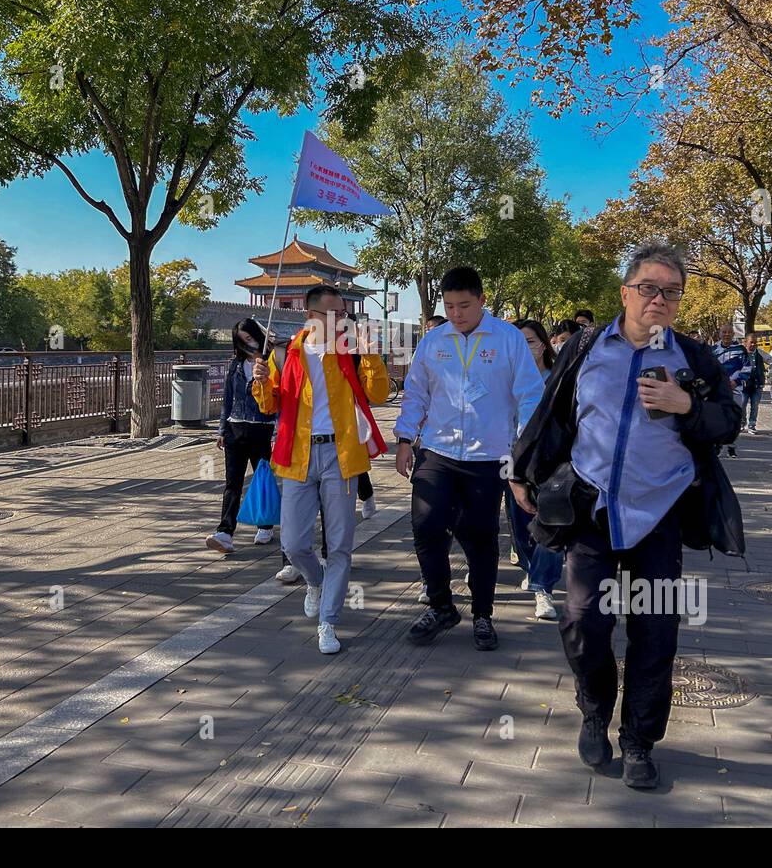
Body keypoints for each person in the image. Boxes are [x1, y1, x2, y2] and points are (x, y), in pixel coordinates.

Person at [510, 243, 741, 789]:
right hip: (592, 511)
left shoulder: (695, 359)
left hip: (659, 516)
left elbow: (727, 423)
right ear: (625, 293)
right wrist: (522, 471)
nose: (659, 299)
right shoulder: (586, 349)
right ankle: (594, 709)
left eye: (670, 291)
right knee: (583, 620)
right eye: (648, 288)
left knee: (655, 632)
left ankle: (639, 740)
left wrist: (687, 407)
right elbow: (552, 416)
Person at [394, 267, 545, 651]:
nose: (457, 313)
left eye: (464, 305)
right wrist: (405, 438)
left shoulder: (508, 339)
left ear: (481, 301)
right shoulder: (433, 342)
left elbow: (530, 396)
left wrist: (522, 452)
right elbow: (416, 393)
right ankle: (442, 606)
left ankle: (482, 614)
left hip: (489, 456)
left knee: (480, 538)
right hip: (438, 451)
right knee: (426, 526)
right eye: (449, 306)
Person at [252, 285, 389, 654]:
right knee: (294, 543)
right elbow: (270, 406)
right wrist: (261, 382)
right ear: (312, 317)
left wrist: (372, 354)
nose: (343, 320)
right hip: (297, 456)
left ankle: (328, 622)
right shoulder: (286, 353)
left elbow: (378, 395)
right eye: (336, 314)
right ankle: (315, 581)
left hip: (341, 456)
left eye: (345, 314)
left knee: (341, 544)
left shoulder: (351, 351)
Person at [207, 319, 279, 555]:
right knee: (233, 483)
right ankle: (225, 531)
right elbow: (227, 400)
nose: (247, 343)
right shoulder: (236, 366)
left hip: (263, 428)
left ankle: (265, 525)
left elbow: (281, 399)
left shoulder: (274, 361)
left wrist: (278, 432)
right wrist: (221, 430)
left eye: (250, 337)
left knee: (262, 478)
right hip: (236, 428)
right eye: (242, 340)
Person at [509, 319, 565, 620]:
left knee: (553, 521)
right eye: (517, 342)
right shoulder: (504, 377)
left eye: (529, 341)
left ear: (543, 344)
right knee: (521, 525)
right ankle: (531, 570)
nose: (524, 348)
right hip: (514, 461)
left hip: (553, 462)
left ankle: (543, 587)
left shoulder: (558, 378)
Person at [713, 324, 746, 457]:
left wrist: (736, 381)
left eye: (729, 332)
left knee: (734, 418)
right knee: (718, 417)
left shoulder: (740, 349)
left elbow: (747, 368)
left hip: (736, 389)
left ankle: (732, 446)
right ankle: (718, 444)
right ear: (719, 334)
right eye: (724, 332)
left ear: (733, 334)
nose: (726, 334)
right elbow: (708, 368)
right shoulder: (713, 349)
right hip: (718, 390)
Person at [739, 332, 766, 434]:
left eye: (755, 343)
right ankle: (742, 423)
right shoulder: (741, 354)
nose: (753, 345)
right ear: (745, 343)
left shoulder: (759, 354)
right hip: (744, 385)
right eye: (751, 343)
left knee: (755, 405)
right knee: (742, 404)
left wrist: (762, 381)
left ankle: (752, 425)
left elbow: (769, 361)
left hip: (756, 385)